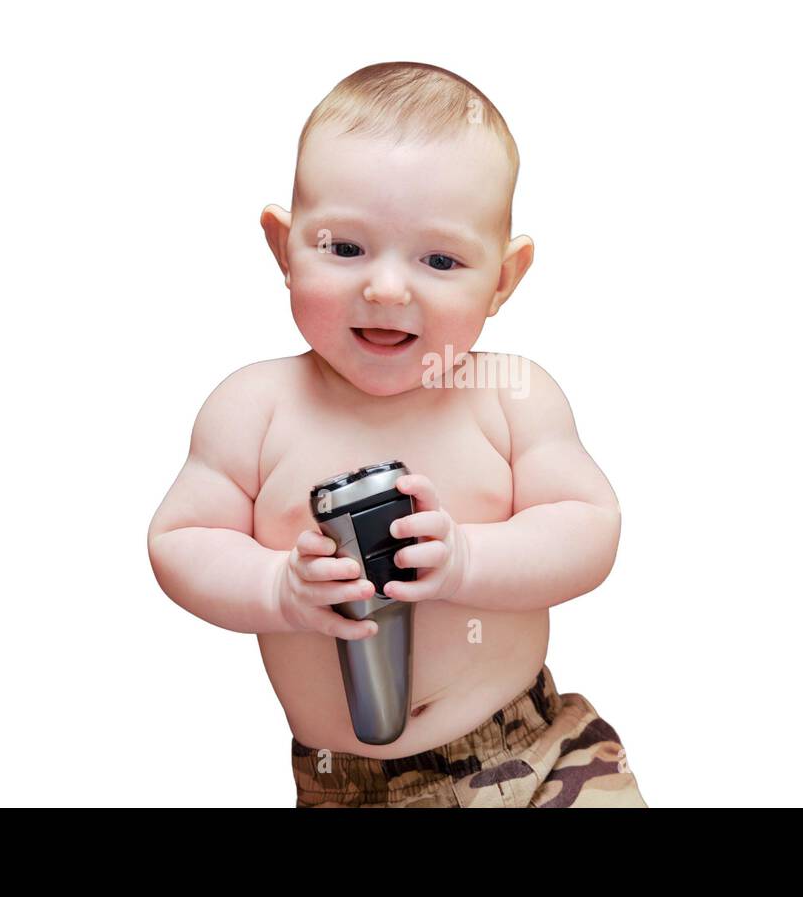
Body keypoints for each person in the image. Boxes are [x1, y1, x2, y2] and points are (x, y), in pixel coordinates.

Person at [148, 61, 648, 807]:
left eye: (440, 259)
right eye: (344, 249)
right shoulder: (253, 407)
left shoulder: (507, 395)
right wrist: (277, 588)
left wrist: (470, 558)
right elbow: (179, 540)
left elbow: (590, 528)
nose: (386, 288)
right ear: (284, 249)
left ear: (504, 279)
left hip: (532, 749)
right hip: (345, 785)